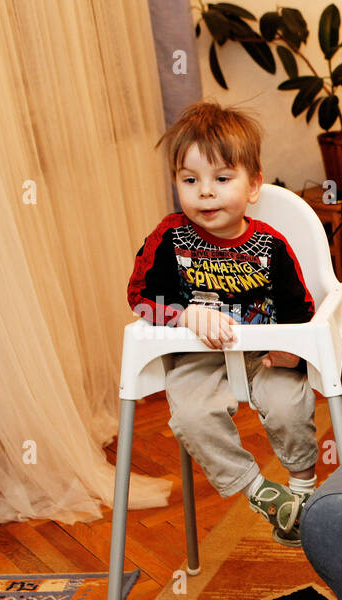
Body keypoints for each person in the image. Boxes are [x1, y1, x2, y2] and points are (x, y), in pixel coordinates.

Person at [127, 102, 317, 546]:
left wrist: (291, 350)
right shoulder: (169, 239)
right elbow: (140, 299)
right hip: (199, 356)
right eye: (190, 181)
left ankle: (304, 493)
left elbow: (299, 307)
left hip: (264, 355)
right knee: (191, 416)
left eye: (222, 179)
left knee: (290, 405)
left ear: (253, 185)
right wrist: (181, 313)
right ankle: (262, 493)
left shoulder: (272, 245)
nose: (205, 193)